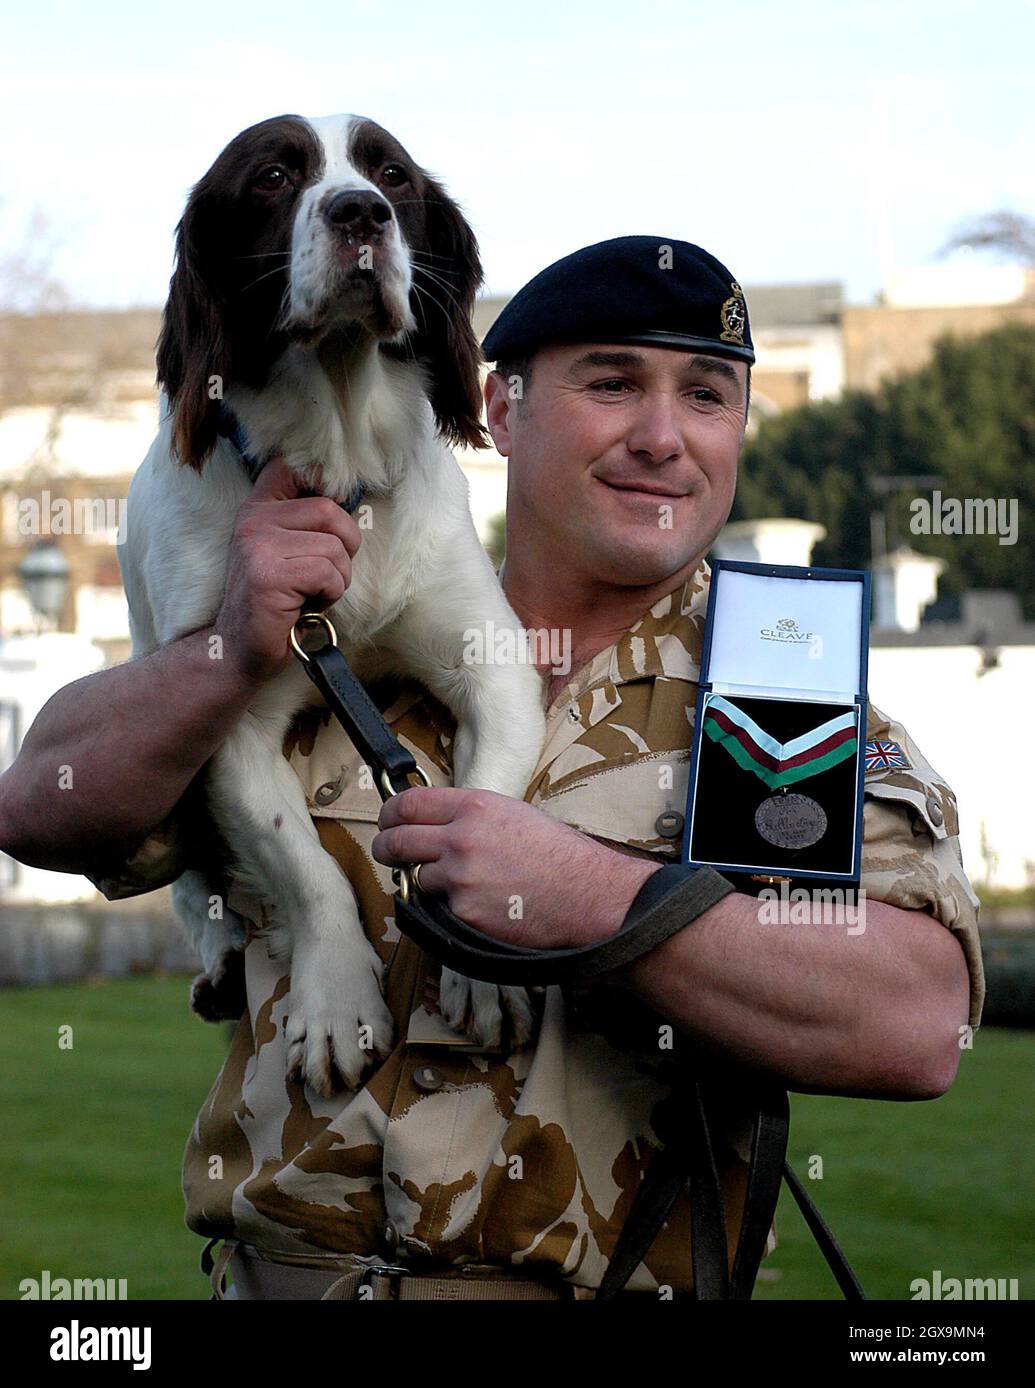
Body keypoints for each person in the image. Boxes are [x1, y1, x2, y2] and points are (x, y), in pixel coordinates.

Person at [0, 237, 983, 1301]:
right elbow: (43, 806)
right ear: (499, 411)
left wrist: (596, 898)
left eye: (707, 395)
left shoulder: (778, 688)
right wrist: (228, 649)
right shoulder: (338, 635)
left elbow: (920, 1024)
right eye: (611, 383)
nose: (663, 437)